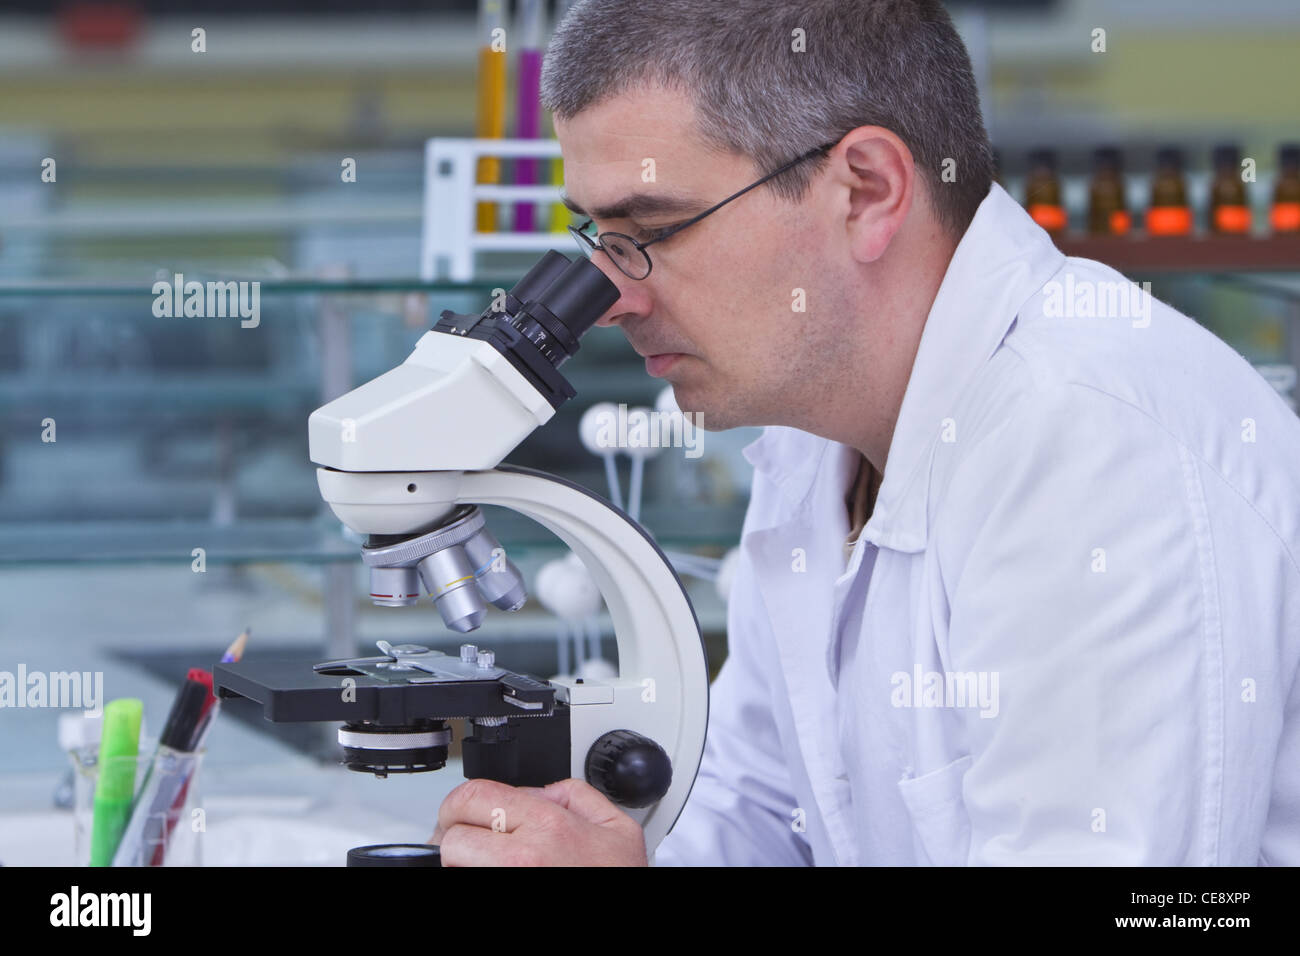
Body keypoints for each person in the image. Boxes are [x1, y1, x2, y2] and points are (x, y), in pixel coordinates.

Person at [430, 0, 1300, 866]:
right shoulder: (818, 434)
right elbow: (762, 813)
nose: (614, 297)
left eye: (652, 230)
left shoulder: (1089, 442)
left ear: (868, 190)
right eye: (597, 238)